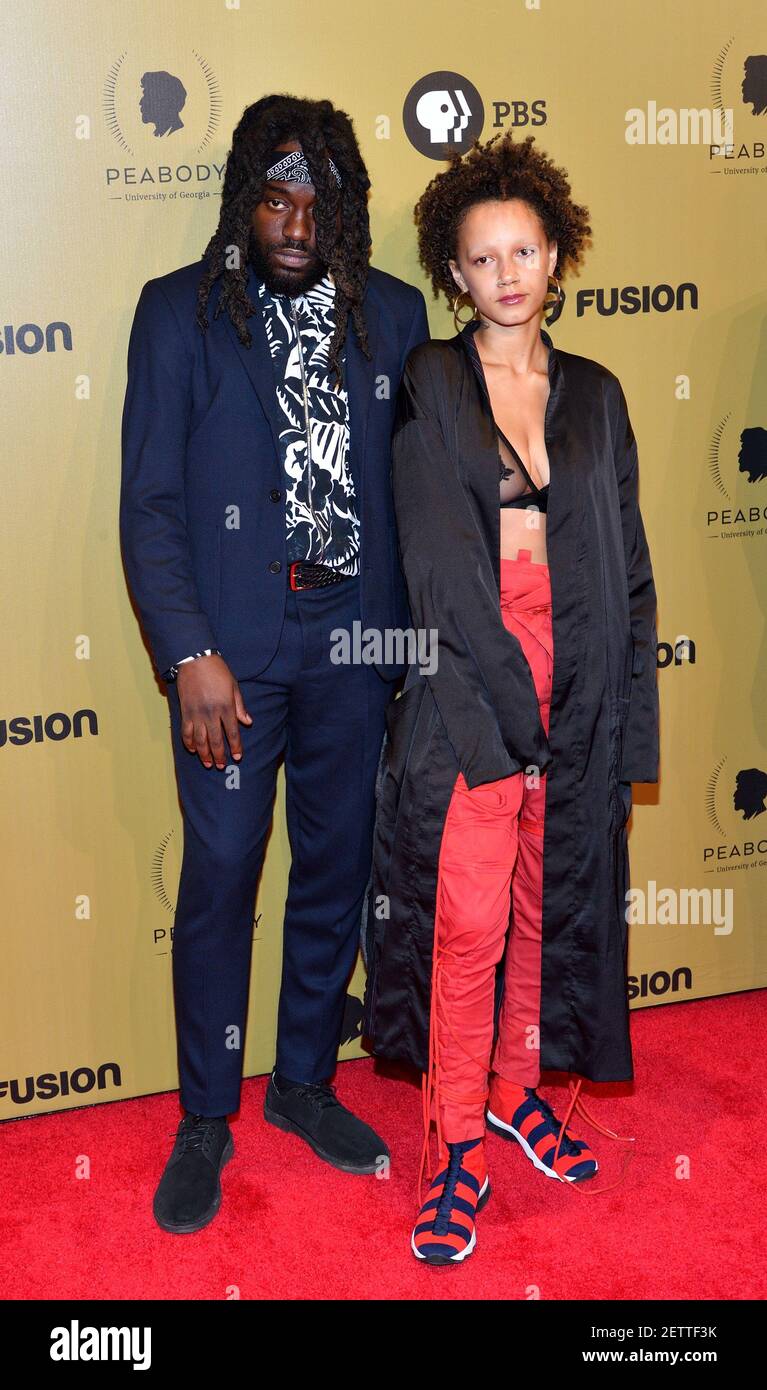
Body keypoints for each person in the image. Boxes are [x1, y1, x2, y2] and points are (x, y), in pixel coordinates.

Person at [120, 94, 429, 1234]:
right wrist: (188, 653)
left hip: (358, 639)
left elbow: (425, 492)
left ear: (341, 209)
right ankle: (208, 1111)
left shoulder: (390, 316)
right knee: (220, 879)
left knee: (336, 869)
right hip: (231, 656)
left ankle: (303, 1080)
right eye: (276, 194)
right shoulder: (179, 314)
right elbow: (150, 504)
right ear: (244, 199)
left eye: (317, 198)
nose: (295, 219)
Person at [362, 130, 659, 1265]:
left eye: (520, 250)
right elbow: (438, 570)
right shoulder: (432, 382)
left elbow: (627, 568)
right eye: (480, 259)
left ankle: (516, 1088)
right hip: (472, 694)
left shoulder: (595, 392)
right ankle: (452, 1147)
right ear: (453, 274)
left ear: (554, 256)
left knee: (548, 915)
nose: (504, 274)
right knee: (468, 928)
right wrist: (509, 728)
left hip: (577, 681)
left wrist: (618, 722)